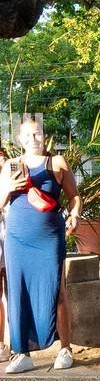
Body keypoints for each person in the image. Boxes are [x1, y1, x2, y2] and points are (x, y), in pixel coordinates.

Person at [0, 115, 81, 374]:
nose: (33, 139)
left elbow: (74, 196)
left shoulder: (56, 162)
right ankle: (21, 353)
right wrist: (8, 188)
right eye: (27, 135)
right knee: (17, 294)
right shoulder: (11, 165)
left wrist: (75, 214)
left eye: (37, 133)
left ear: (43, 135)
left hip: (49, 237)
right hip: (17, 239)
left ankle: (65, 349)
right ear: (19, 139)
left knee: (56, 292)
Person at [0, 146, 9, 362]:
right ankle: (1, 344)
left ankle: (16, 345)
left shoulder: (13, 172)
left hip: (13, 238)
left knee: (13, 294)